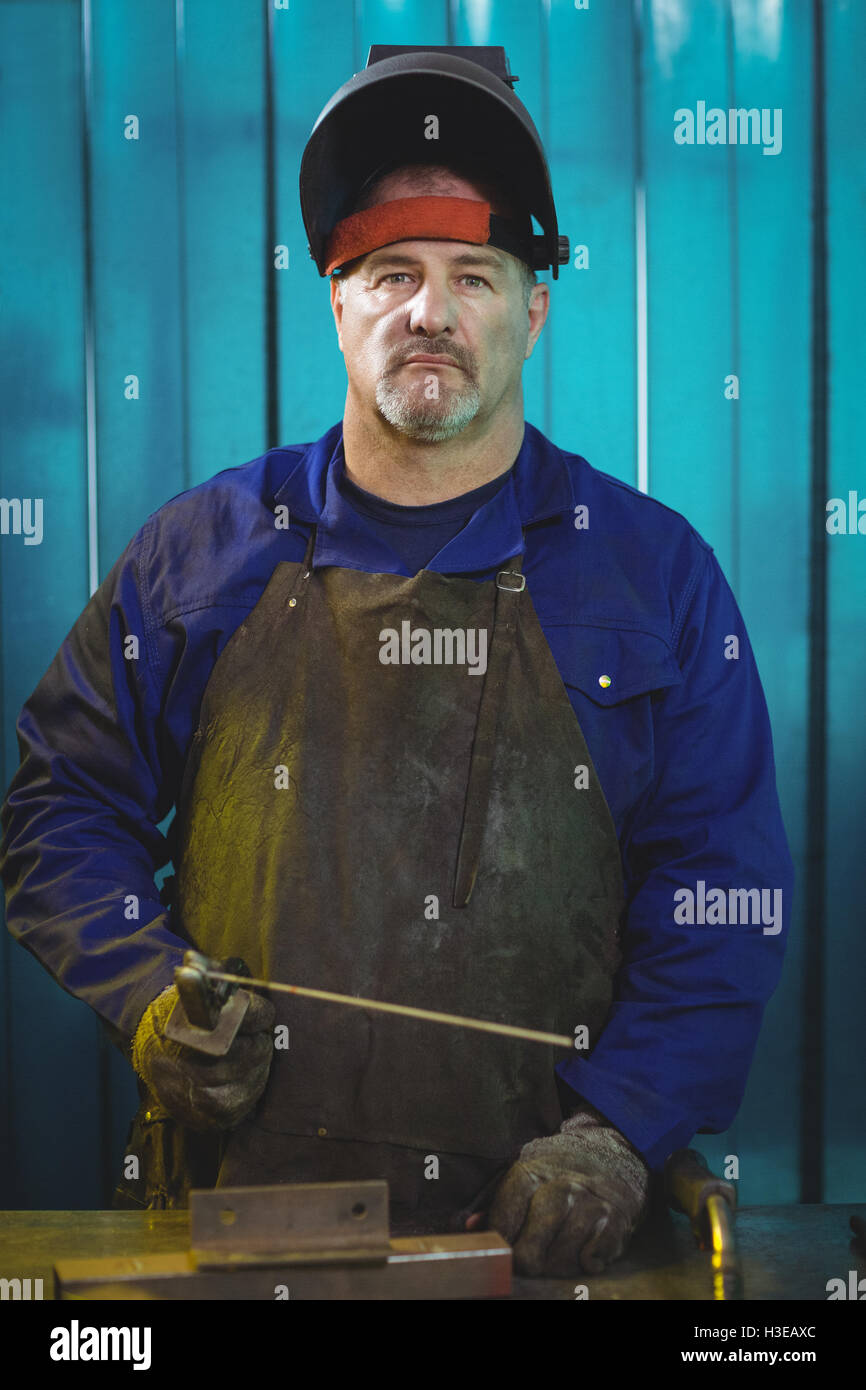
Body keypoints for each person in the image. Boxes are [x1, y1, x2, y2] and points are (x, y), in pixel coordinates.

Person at [0, 46, 792, 1279]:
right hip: (242, 1232)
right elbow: (61, 801)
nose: (428, 313)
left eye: (472, 275)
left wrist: (615, 1132)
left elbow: (717, 888)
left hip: (546, 1246)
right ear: (336, 299)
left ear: (531, 310)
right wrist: (151, 991)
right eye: (390, 274)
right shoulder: (203, 552)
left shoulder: (651, 574)